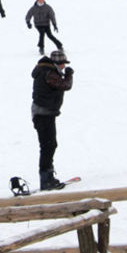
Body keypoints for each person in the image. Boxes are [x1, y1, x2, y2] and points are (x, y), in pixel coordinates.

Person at [31, 50, 74, 191]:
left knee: (49, 145)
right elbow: (65, 85)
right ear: (55, 63)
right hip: (43, 114)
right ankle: (46, 179)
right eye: (62, 64)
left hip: (45, 113)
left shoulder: (45, 70)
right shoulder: (48, 73)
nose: (63, 66)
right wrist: (69, 74)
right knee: (48, 146)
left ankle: (48, 177)